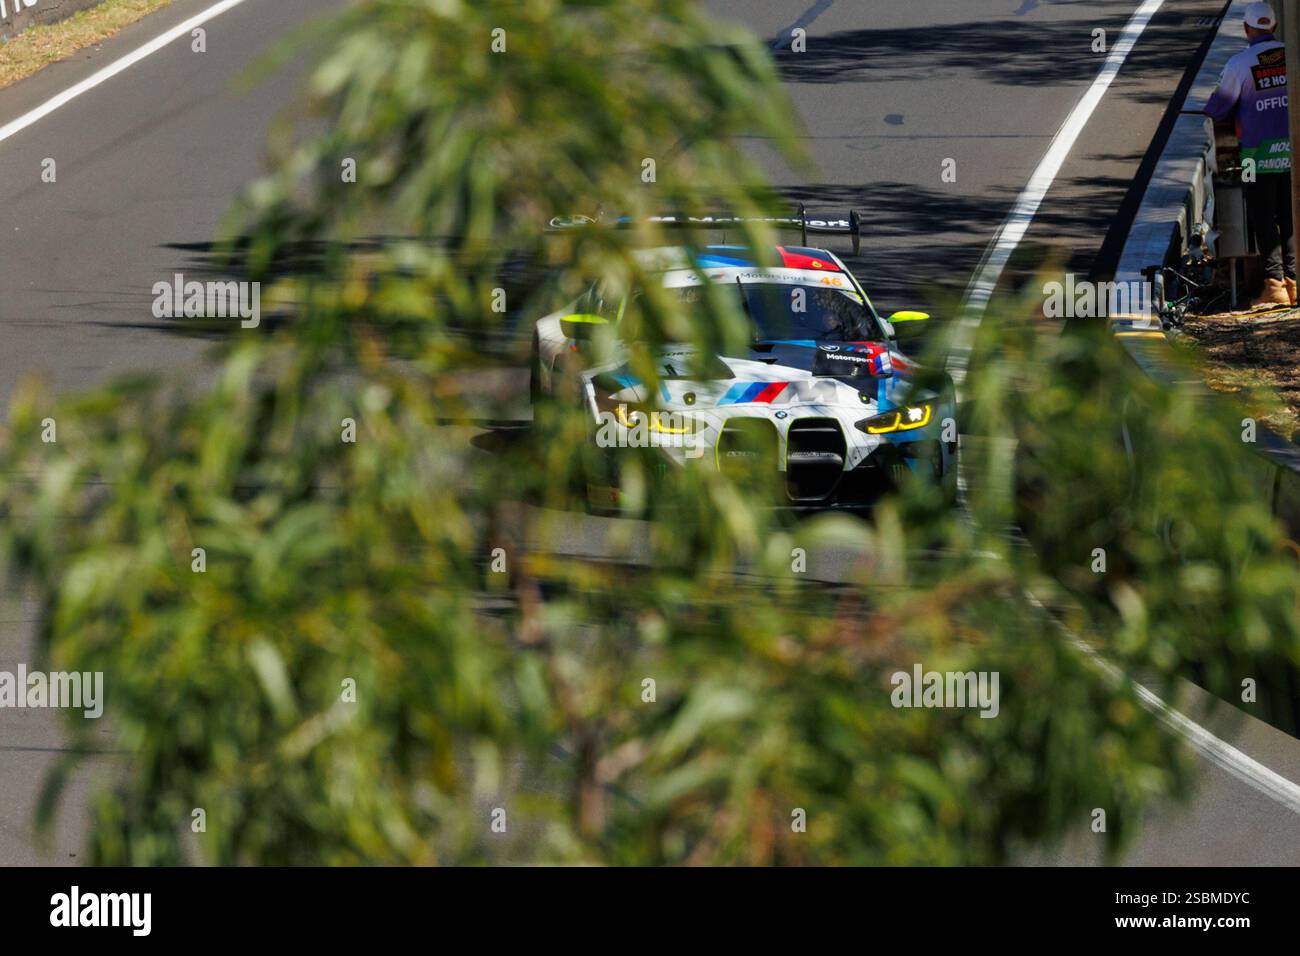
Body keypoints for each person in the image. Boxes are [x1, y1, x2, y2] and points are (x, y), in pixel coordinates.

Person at [1205, 1, 1296, 308]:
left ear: (1247, 29)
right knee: (1290, 213)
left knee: (1260, 215)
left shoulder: (1239, 64)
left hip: (1252, 157)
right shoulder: (1292, 54)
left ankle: (1274, 284)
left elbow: (1220, 107)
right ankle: (1294, 281)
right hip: (1292, 153)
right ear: (1273, 26)